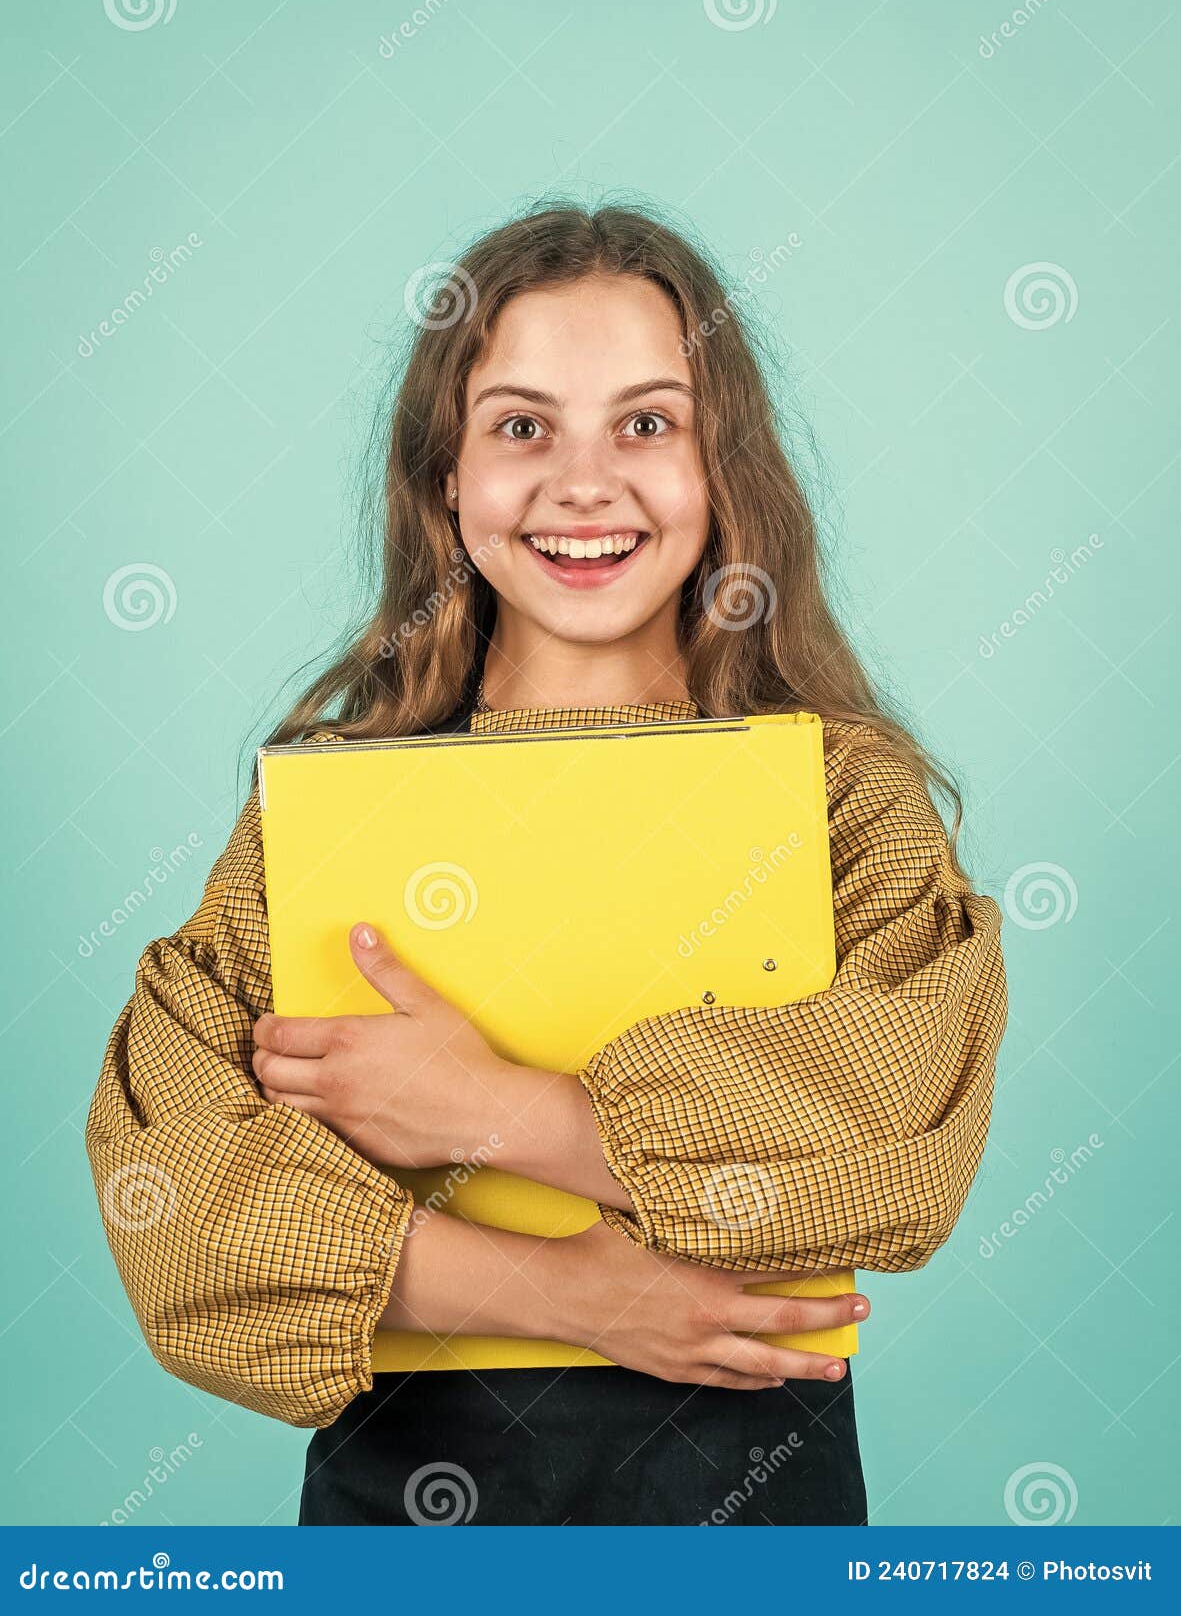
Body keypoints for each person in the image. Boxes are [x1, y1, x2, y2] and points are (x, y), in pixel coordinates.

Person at [85, 202, 1007, 1527]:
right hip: (407, 1514)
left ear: (721, 469)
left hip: (750, 1506)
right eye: (522, 425)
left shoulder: (840, 800)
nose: (585, 483)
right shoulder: (320, 811)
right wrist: (577, 1293)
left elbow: (891, 1144)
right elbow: (175, 1193)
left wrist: (491, 1115)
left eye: (645, 422)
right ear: (446, 477)